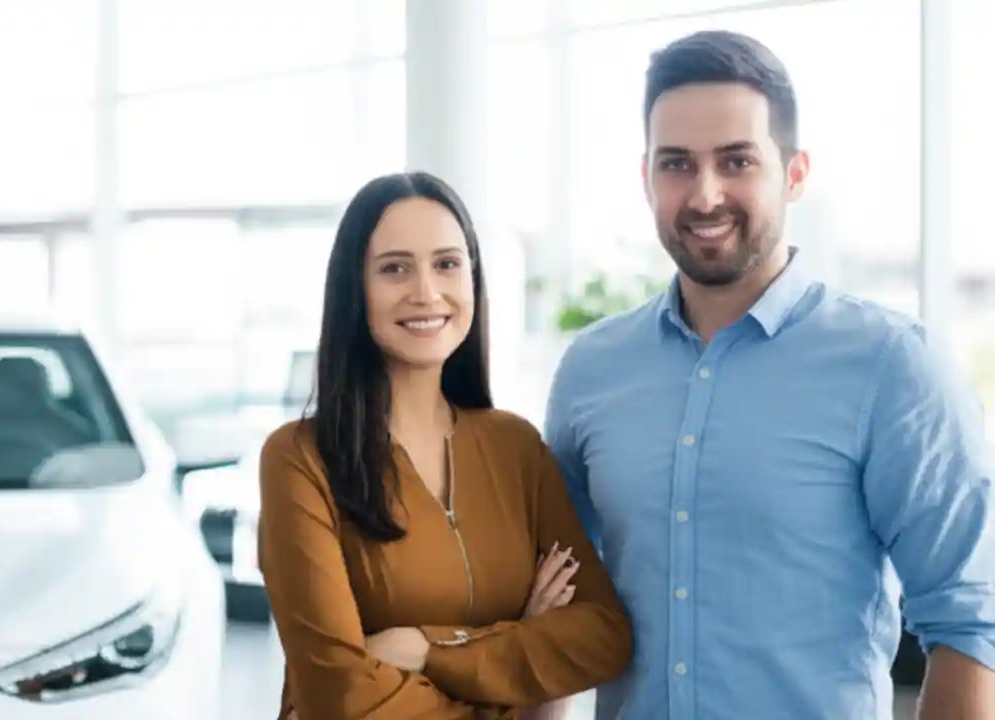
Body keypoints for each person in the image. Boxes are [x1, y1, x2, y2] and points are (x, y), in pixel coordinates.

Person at [544, 29, 995, 720]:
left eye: (736, 161)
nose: (704, 195)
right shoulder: (591, 371)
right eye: (677, 164)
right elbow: (560, 608)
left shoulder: (892, 366)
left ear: (794, 171)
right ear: (645, 177)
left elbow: (970, 620)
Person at [258, 171, 633, 719]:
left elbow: (602, 635)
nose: (426, 292)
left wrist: (426, 650)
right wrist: (517, 663)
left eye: (447, 263)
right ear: (353, 290)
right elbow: (341, 695)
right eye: (394, 268)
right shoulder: (300, 459)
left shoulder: (515, 447)